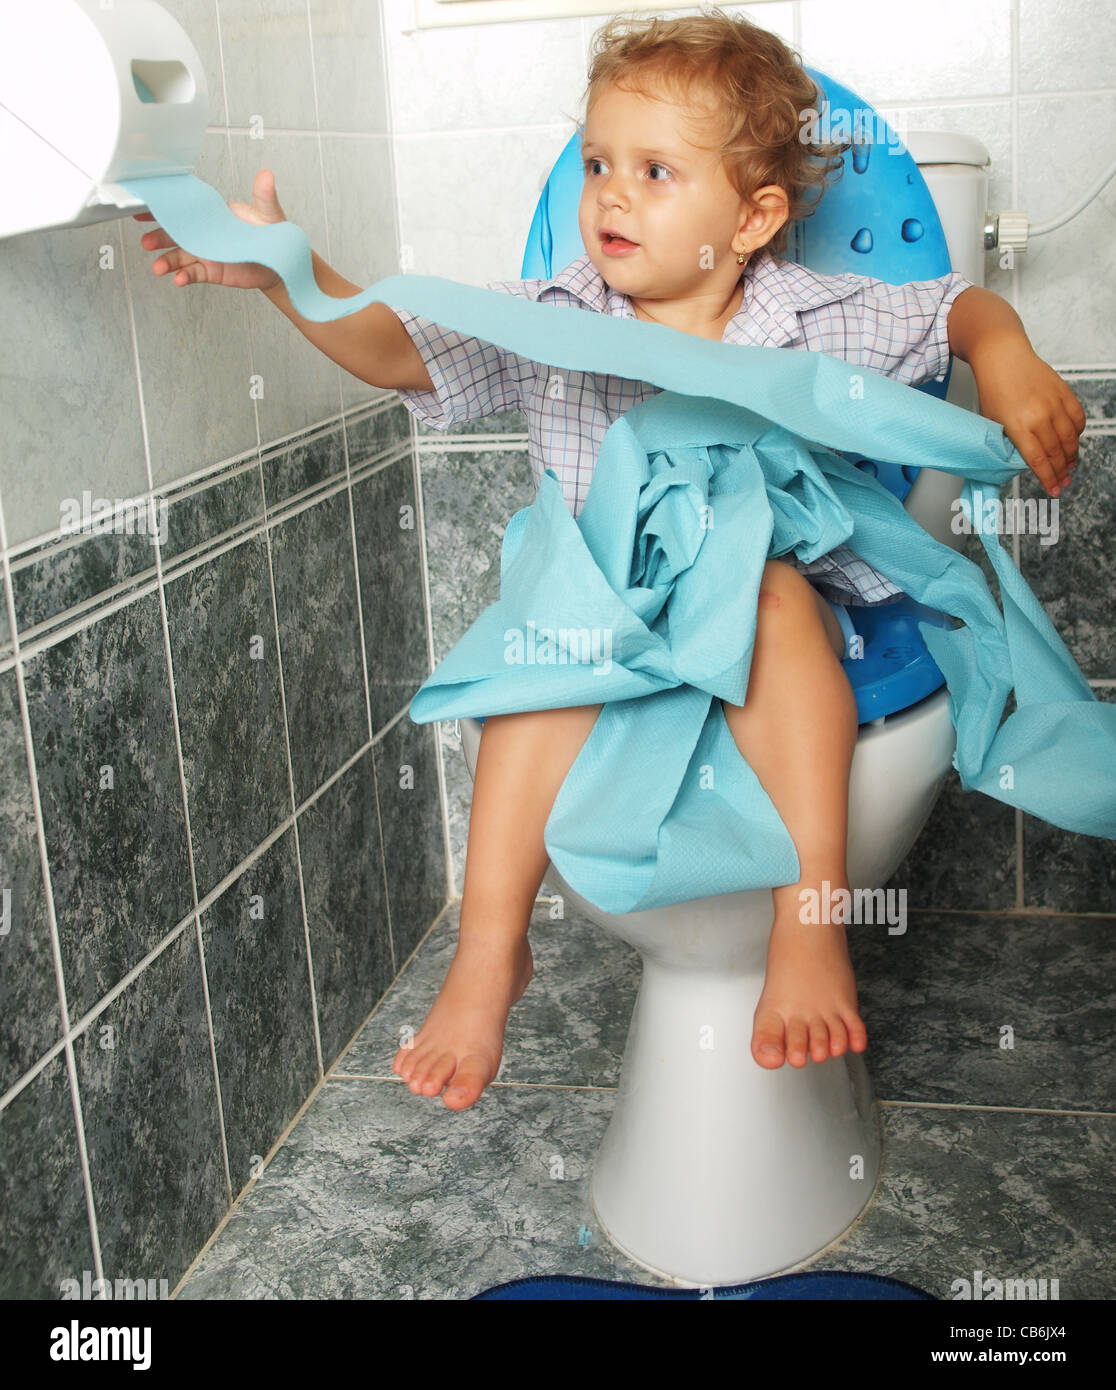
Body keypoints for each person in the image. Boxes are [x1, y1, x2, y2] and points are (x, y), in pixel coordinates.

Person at [135, 8, 1083, 1111]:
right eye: (596, 163)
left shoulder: (809, 314)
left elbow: (955, 307)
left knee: (781, 613)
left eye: (654, 170)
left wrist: (1006, 353)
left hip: (755, 589)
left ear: (753, 217)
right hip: (603, 606)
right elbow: (399, 344)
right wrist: (293, 278)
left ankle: (811, 916)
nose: (611, 195)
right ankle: (492, 951)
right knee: (533, 679)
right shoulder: (557, 315)